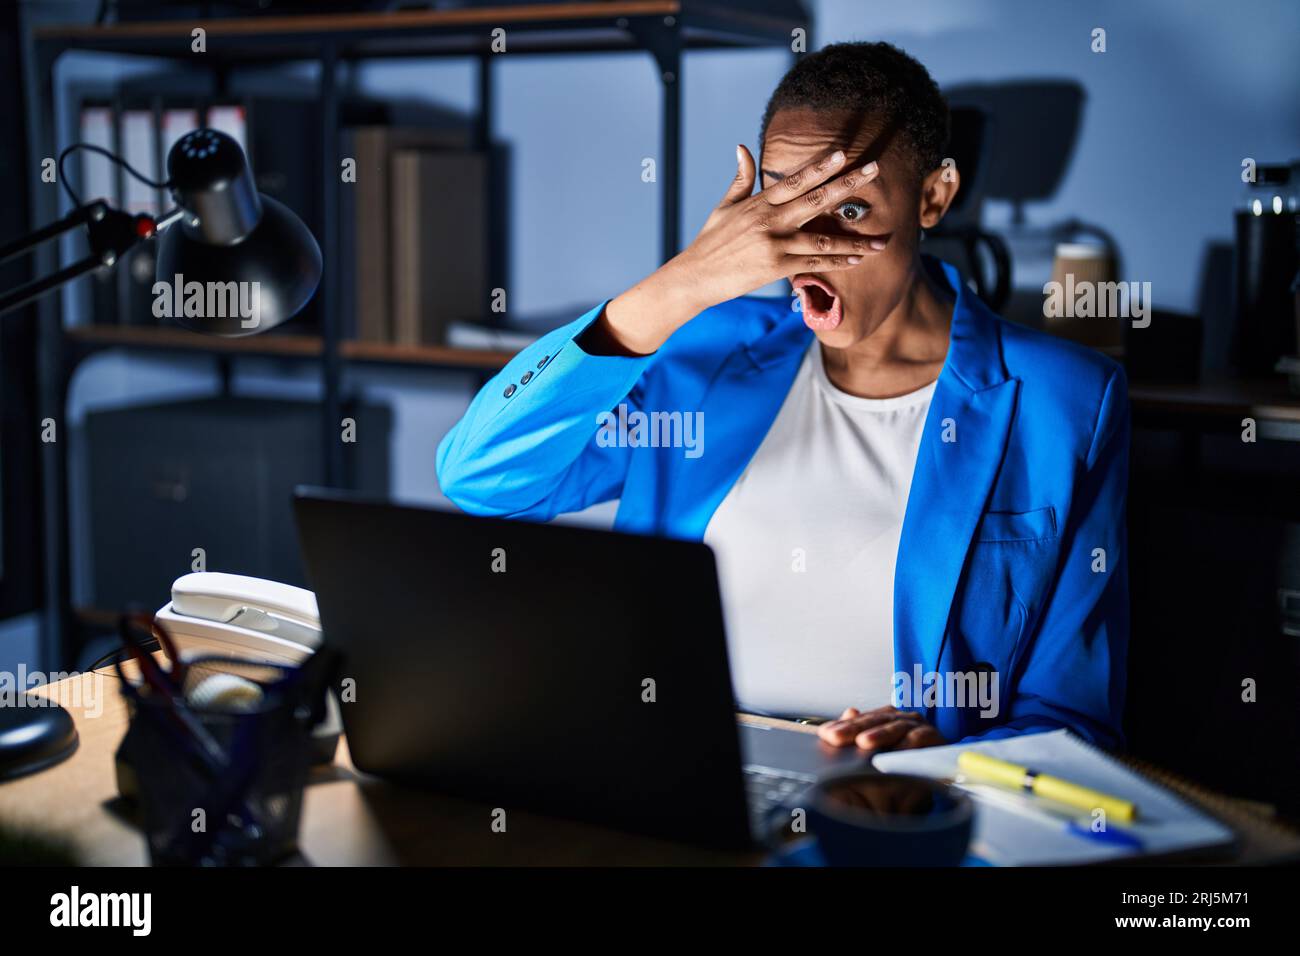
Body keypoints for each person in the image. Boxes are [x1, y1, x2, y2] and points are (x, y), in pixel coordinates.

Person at [437, 42, 1129, 754]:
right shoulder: (703, 356)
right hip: (669, 758)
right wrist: (681, 285)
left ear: (933, 196)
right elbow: (483, 480)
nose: (809, 246)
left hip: (890, 804)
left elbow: (1074, 718)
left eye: (852, 207)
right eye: (784, 204)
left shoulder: (1064, 400)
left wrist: (943, 757)